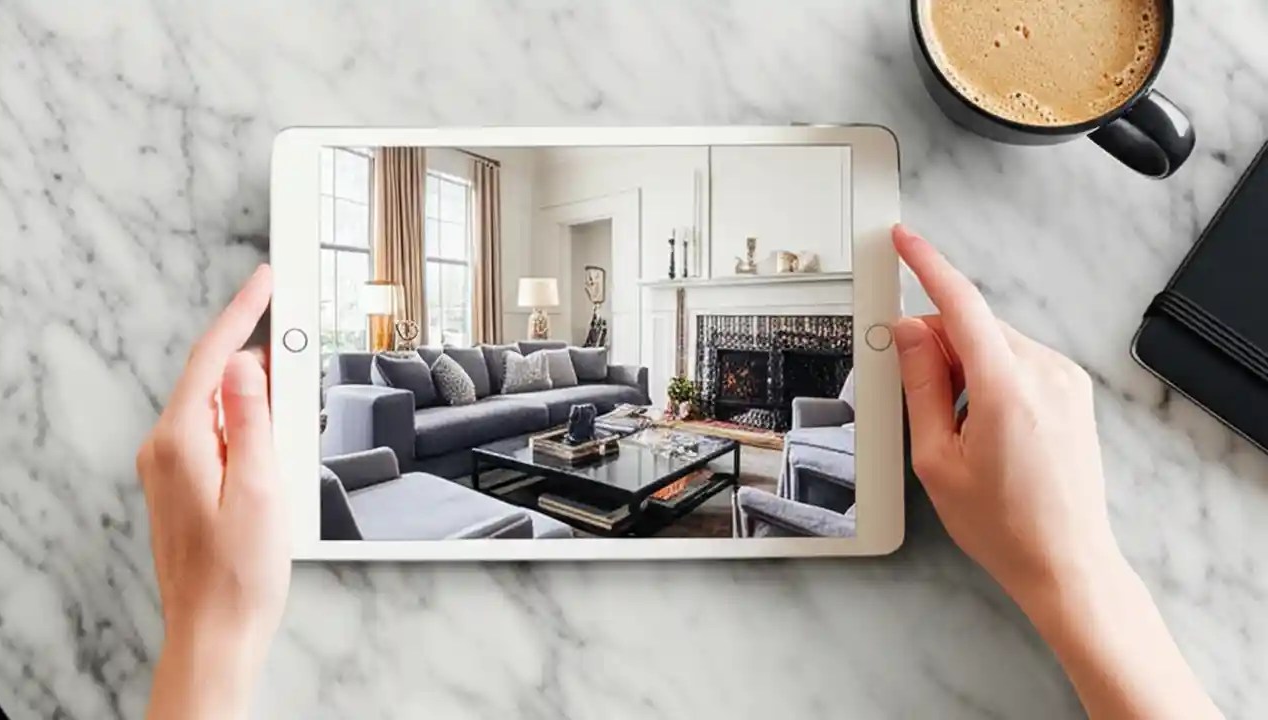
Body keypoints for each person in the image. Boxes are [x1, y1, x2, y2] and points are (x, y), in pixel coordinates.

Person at [135, 227, 1222, 719]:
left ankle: (633, 478)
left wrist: (205, 647)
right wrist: (1084, 577)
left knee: (613, 408)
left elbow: (596, 375)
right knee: (582, 423)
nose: (539, 357)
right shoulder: (398, 380)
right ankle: (626, 491)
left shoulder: (583, 360)